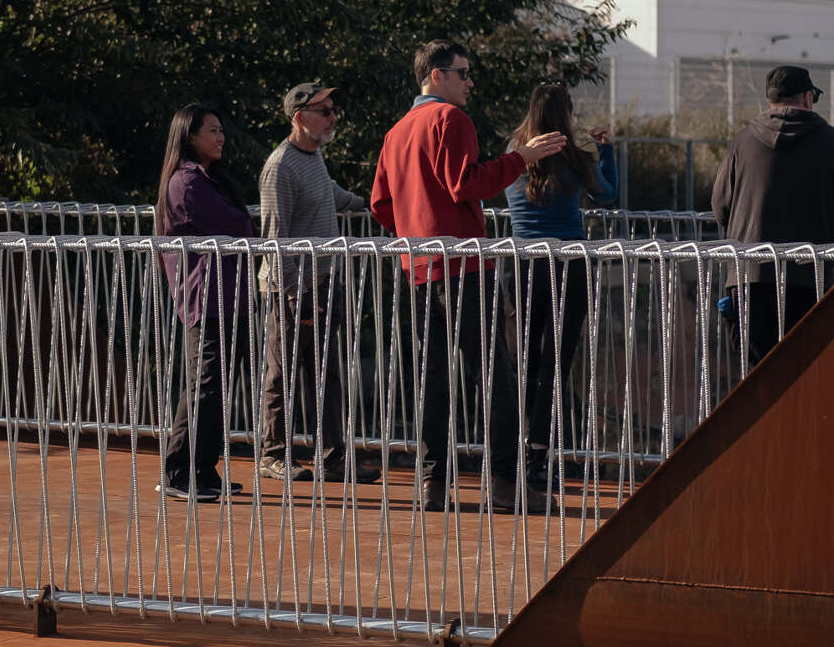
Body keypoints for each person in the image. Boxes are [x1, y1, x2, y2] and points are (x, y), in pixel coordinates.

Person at [370, 40, 563, 512]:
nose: (469, 81)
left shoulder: (397, 131)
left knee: (432, 378)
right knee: (494, 376)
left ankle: (433, 484)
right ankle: (502, 483)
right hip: (463, 266)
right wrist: (523, 158)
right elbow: (467, 183)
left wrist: (416, 229)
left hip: (417, 267)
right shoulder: (450, 120)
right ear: (437, 75)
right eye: (463, 72)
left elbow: (380, 204)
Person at [258, 82, 381, 486]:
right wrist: (298, 297)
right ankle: (272, 454)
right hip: (294, 288)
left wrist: (367, 204)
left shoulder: (313, 157)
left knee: (327, 374)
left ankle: (332, 458)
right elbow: (276, 240)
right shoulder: (281, 165)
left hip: (324, 280)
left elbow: (327, 193)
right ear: (299, 117)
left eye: (332, 109)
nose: (331, 117)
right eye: (323, 111)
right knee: (284, 373)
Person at [710, 65, 834, 364]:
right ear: (808, 98)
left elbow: (720, 208)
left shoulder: (742, 141)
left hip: (748, 277)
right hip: (808, 278)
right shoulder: (830, 141)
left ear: (770, 100)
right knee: (805, 378)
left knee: (758, 382)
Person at [504, 81, 617, 478]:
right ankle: (538, 452)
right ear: (566, 115)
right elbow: (607, 194)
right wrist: (606, 149)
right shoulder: (574, 156)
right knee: (556, 359)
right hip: (568, 262)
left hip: (523, 262)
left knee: (524, 359)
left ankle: (511, 449)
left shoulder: (512, 152)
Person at [156, 103, 256, 502]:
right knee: (205, 385)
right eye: (212, 130)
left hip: (227, 294)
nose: (221, 138)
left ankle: (202, 468)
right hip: (207, 297)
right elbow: (235, 224)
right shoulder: (186, 182)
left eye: (221, 130)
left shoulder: (207, 179)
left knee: (216, 386)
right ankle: (180, 471)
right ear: (190, 136)